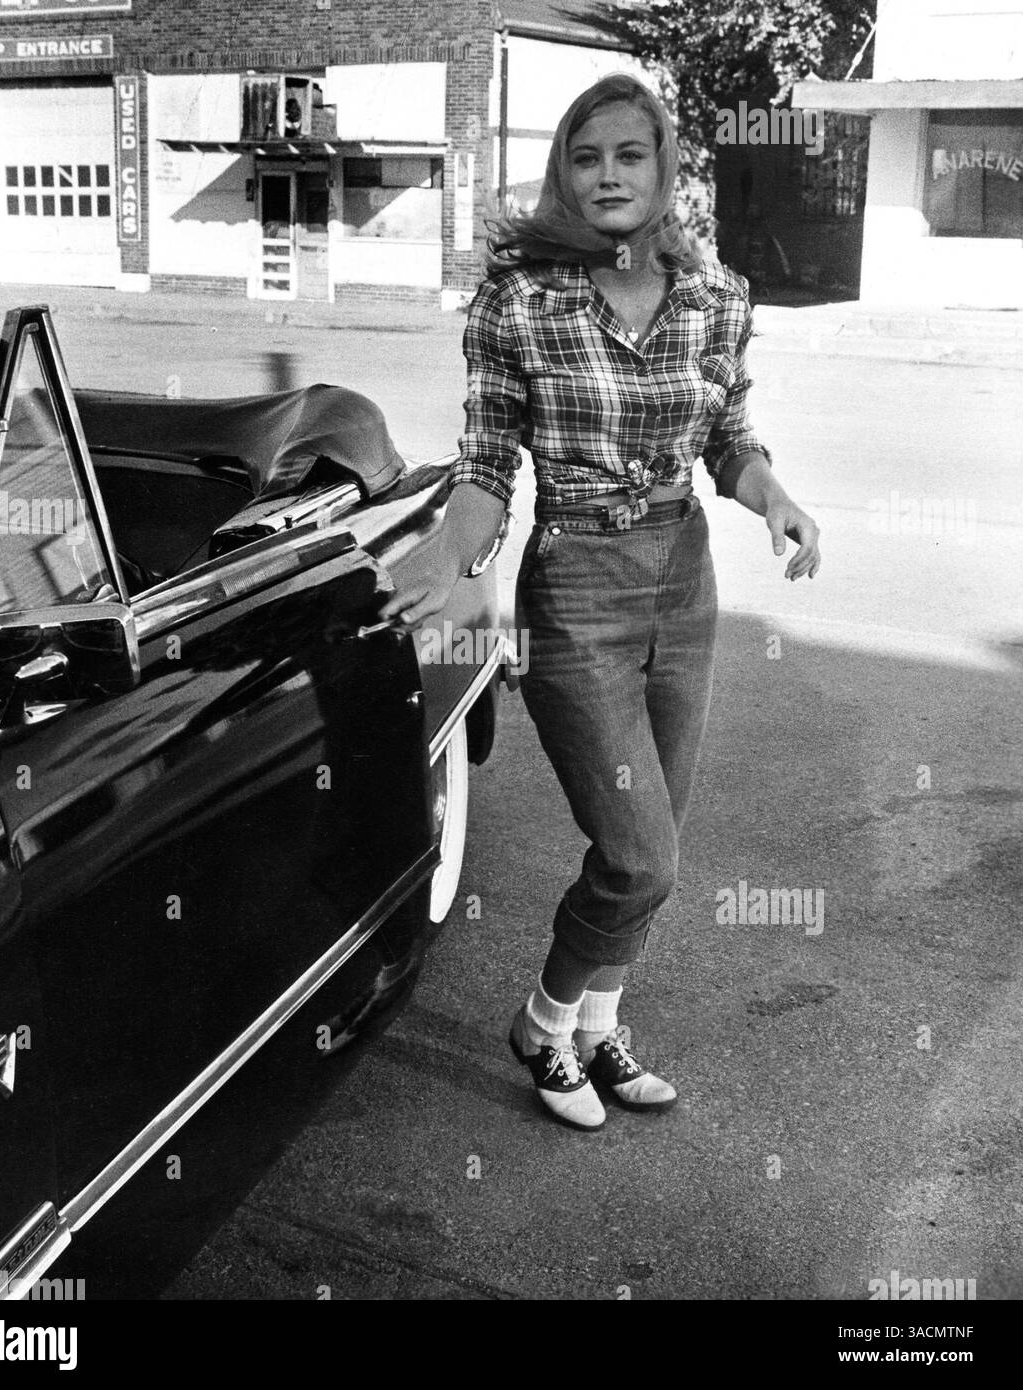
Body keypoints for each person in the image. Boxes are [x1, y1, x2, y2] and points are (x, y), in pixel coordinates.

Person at [380, 73, 821, 1131]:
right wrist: (445, 558)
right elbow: (487, 460)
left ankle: (596, 1027)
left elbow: (727, 436)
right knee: (638, 852)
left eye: (629, 155)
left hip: (684, 574)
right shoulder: (519, 302)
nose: (608, 175)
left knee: (653, 839)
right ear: (562, 175)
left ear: (664, 169)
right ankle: (541, 1025)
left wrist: (775, 499)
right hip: (575, 586)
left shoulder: (712, 293)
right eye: (586, 158)